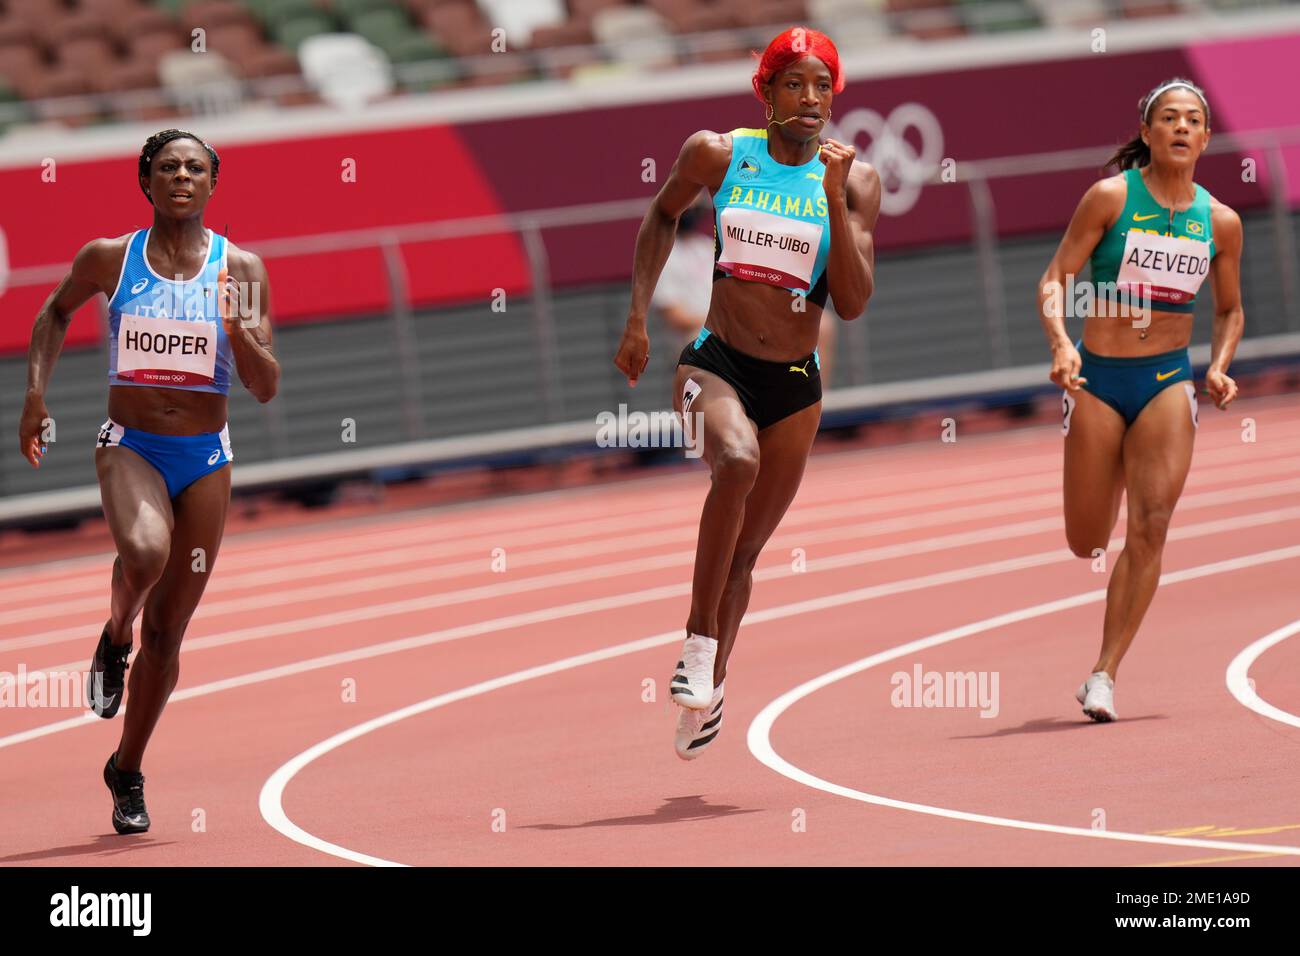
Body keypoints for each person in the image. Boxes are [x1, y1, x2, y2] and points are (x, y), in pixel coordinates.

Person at [613, 27, 880, 758]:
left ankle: (714, 685)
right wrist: (636, 319)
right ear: (766, 91)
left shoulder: (854, 181)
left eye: (823, 85)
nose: (811, 99)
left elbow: (852, 302)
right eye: (794, 83)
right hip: (715, 363)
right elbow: (662, 215)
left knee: (746, 554)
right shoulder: (719, 153)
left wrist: (829, 198)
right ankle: (698, 647)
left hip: (794, 385)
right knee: (735, 462)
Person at [18, 129, 280, 832]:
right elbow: (53, 313)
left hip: (204, 457)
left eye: (196, 168)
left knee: (170, 633)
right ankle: (113, 630)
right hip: (129, 443)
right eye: (169, 167)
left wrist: (240, 330)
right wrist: (36, 396)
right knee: (144, 553)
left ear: (213, 183)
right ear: (146, 180)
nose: (183, 177)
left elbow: (265, 387)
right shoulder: (110, 257)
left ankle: (126, 768)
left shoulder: (242, 269)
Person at [1036, 78, 1243, 721]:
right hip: (1099, 382)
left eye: (1193, 121)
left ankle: (1103, 674)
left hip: (1166, 383)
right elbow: (1054, 279)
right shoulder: (1109, 198)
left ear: (1206, 138)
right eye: (1168, 119)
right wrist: (1061, 344)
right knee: (1087, 540)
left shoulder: (1221, 221)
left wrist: (1220, 365)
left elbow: (1231, 309)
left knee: (1151, 527)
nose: (1181, 128)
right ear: (1148, 133)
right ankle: (1111, 466)